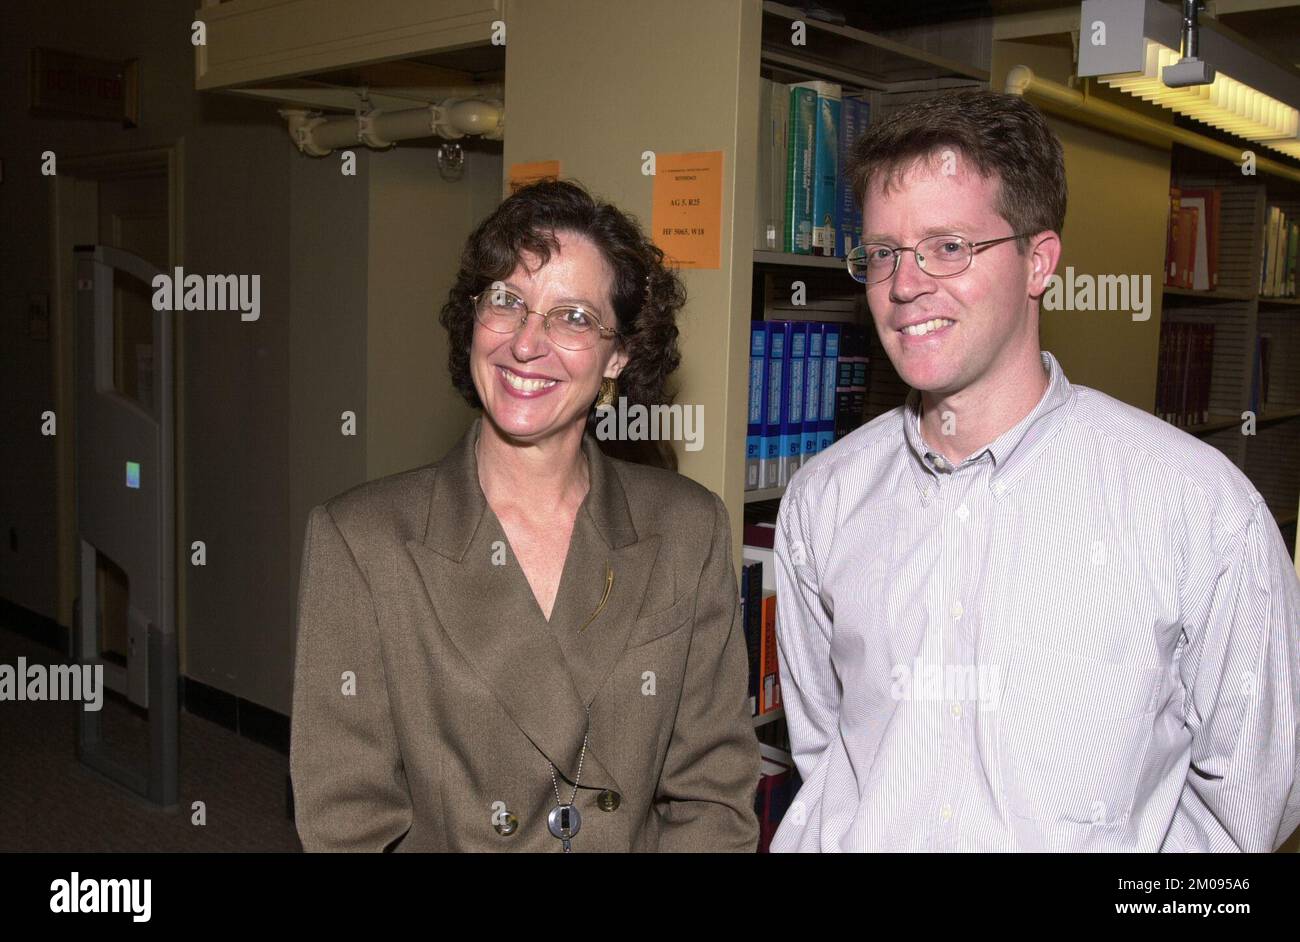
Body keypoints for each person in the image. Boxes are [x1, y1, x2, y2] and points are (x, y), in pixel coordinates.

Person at [771, 89, 1300, 852]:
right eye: (883, 251)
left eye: (948, 246)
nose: (905, 283)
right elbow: (829, 763)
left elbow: (1247, 815)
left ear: (1038, 262)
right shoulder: (824, 501)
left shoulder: (1200, 508)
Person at [290, 179, 759, 851]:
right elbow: (347, 823)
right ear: (474, 318)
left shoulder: (688, 529)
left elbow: (713, 792)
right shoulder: (363, 540)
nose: (527, 343)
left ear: (618, 356)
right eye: (508, 301)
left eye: (573, 317)